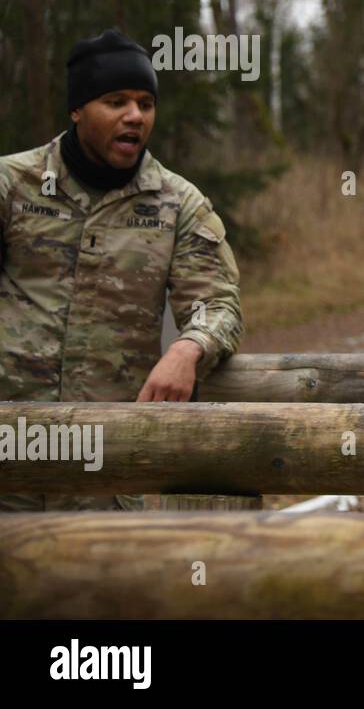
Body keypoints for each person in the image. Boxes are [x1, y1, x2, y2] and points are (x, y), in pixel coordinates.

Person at [0, 29, 243, 511]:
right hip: (9, 459)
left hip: (105, 467)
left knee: (104, 585)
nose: (135, 115)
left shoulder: (177, 203)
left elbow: (218, 303)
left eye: (145, 103)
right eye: (116, 101)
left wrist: (189, 348)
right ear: (77, 109)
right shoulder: (14, 185)